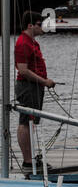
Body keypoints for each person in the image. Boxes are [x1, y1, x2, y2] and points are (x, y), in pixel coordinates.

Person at [14, 11, 55, 175]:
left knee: (32, 121)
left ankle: (31, 157)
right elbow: (23, 70)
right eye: (40, 24)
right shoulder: (23, 42)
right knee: (25, 121)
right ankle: (27, 161)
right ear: (30, 25)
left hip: (35, 86)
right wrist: (44, 81)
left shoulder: (33, 42)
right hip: (27, 87)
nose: (42, 27)